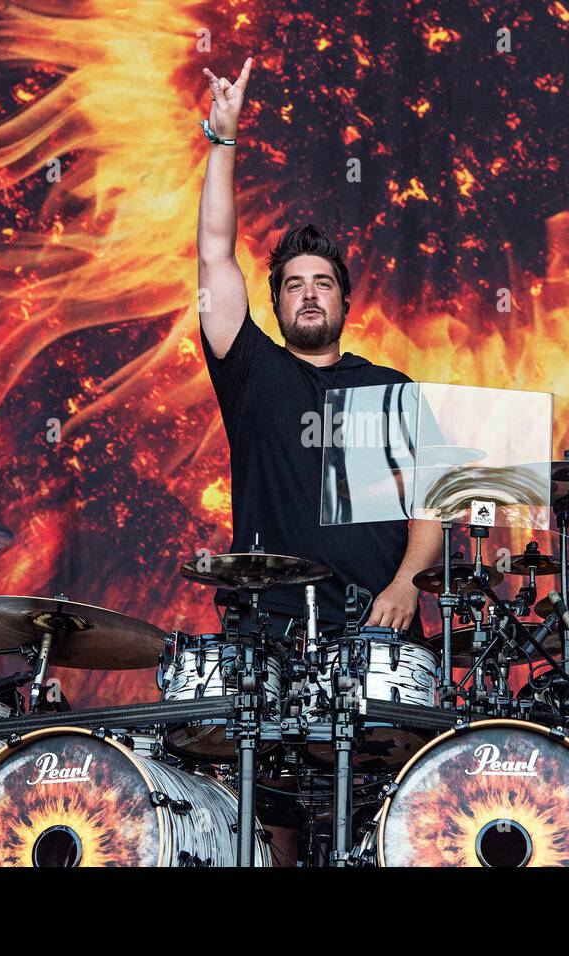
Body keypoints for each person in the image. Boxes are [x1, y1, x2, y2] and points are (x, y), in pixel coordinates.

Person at [195, 57, 440, 635]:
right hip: (268, 635)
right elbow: (214, 251)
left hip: (379, 635)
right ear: (275, 303)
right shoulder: (250, 369)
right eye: (293, 285)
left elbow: (433, 504)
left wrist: (406, 584)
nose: (308, 295)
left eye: (323, 283)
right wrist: (223, 137)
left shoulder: (392, 390)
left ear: (346, 303)